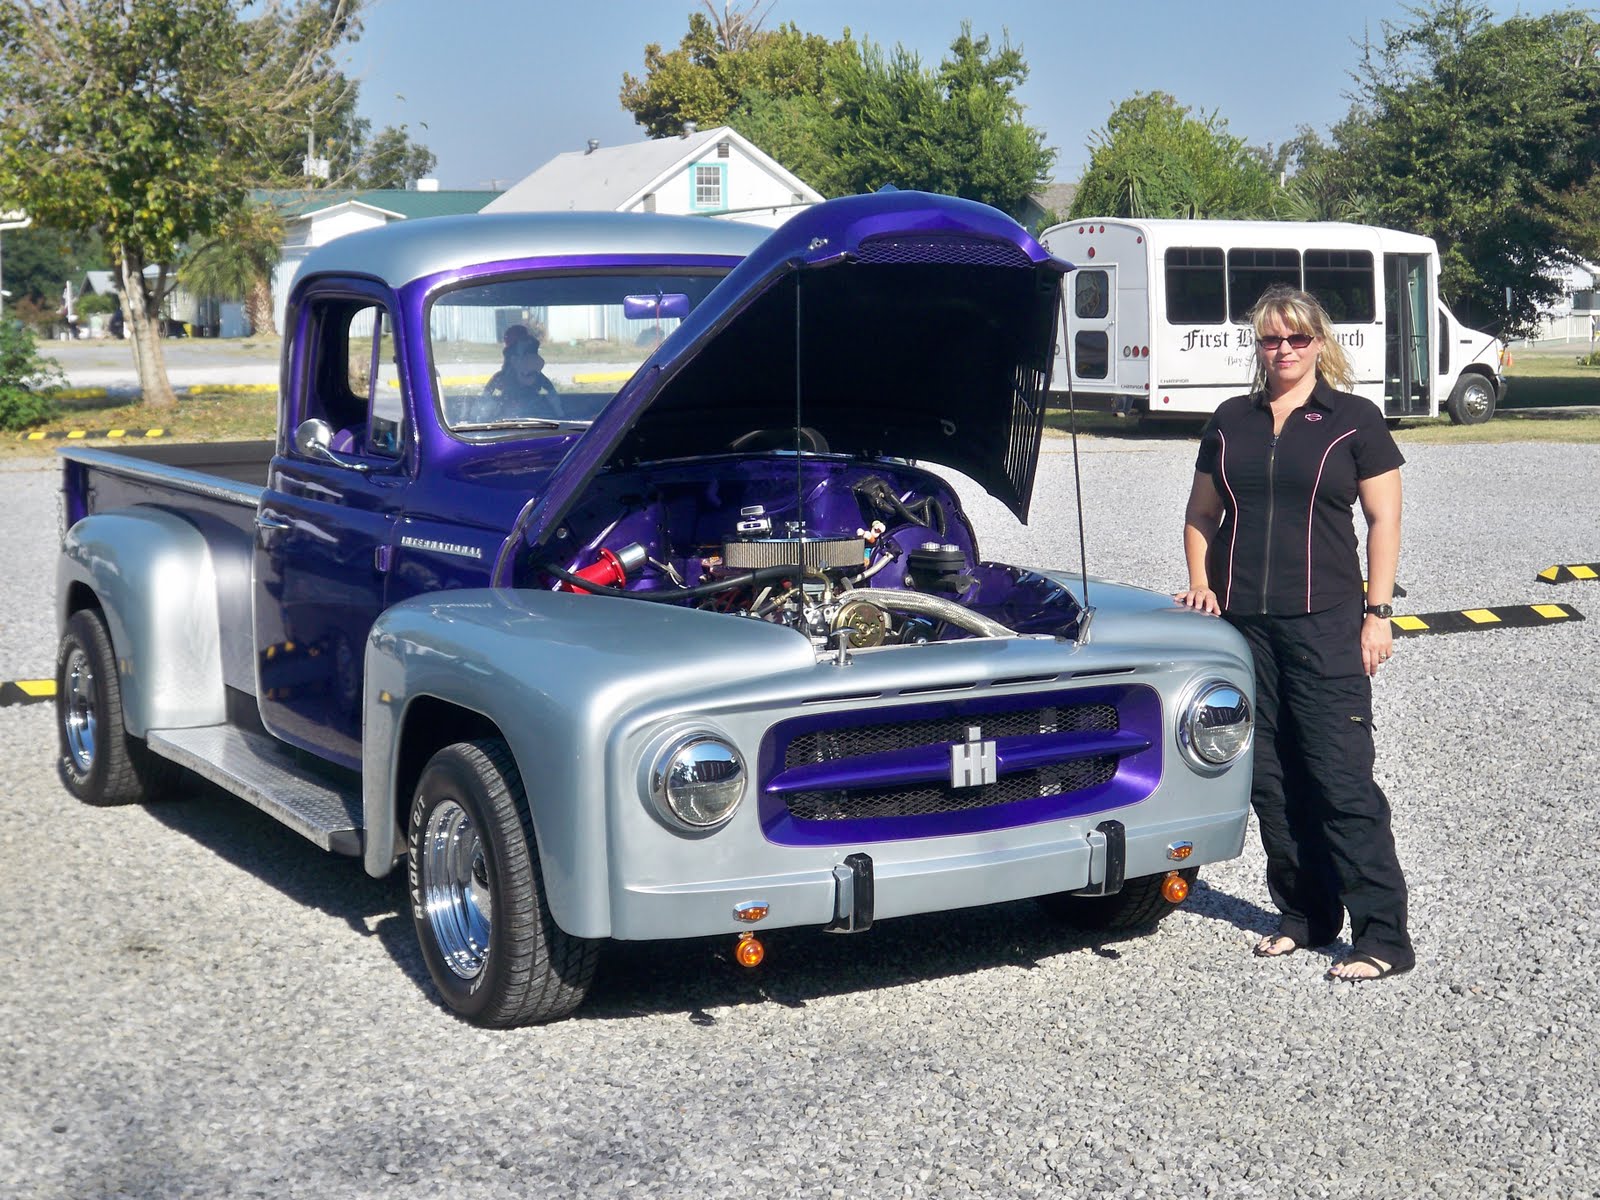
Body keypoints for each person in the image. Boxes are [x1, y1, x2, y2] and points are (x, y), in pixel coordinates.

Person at [1176, 285, 1414, 983]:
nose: (1282, 351)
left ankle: (1383, 937)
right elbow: (1200, 515)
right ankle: (1305, 917)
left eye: (1296, 339)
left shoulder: (1354, 420)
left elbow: (1385, 522)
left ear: (1320, 343)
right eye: (1270, 340)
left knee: (1340, 780)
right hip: (1244, 630)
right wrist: (1200, 581)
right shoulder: (1229, 421)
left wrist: (1378, 614)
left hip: (1327, 624)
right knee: (1272, 781)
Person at [481, 334, 561, 420]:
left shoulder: (538, 377)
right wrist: (489, 409)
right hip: (506, 419)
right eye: (526, 354)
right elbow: (486, 395)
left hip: (535, 419)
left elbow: (552, 394)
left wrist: (559, 413)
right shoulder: (502, 377)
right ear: (512, 359)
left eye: (532, 354)